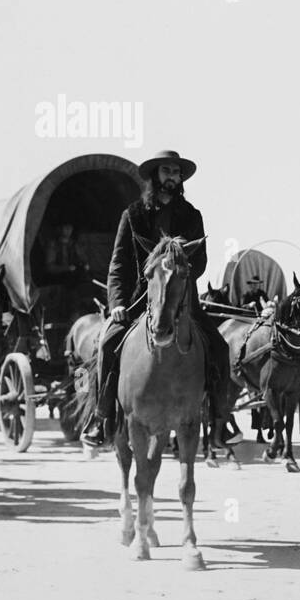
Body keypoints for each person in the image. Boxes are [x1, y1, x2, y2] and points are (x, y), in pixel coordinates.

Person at [82, 150, 239, 449]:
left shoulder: (192, 216)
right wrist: (116, 302)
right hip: (138, 300)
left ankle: (221, 423)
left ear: (181, 178)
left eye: (176, 172)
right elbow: (119, 264)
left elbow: (201, 262)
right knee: (107, 343)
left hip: (181, 300)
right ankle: (101, 417)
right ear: (156, 176)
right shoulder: (133, 215)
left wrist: (181, 261)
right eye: (166, 171)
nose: (171, 176)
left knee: (219, 347)